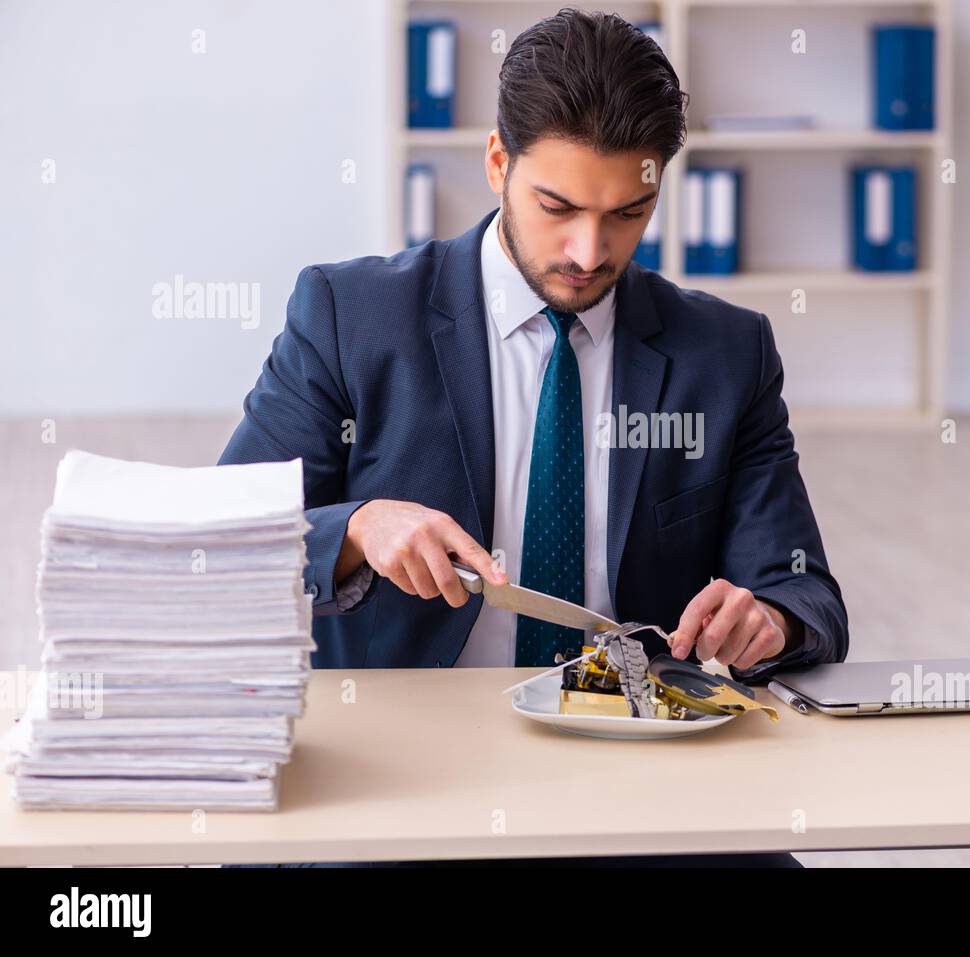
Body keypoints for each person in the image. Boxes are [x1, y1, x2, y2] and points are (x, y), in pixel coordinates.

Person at [221, 7, 847, 868]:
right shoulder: (348, 316)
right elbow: (219, 543)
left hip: (645, 783)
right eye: (557, 206)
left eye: (630, 212)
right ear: (495, 163)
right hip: (403, 778)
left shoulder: (725, 354)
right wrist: (356, 527)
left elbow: (808, 594)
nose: (589, 250)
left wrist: (770, 617)